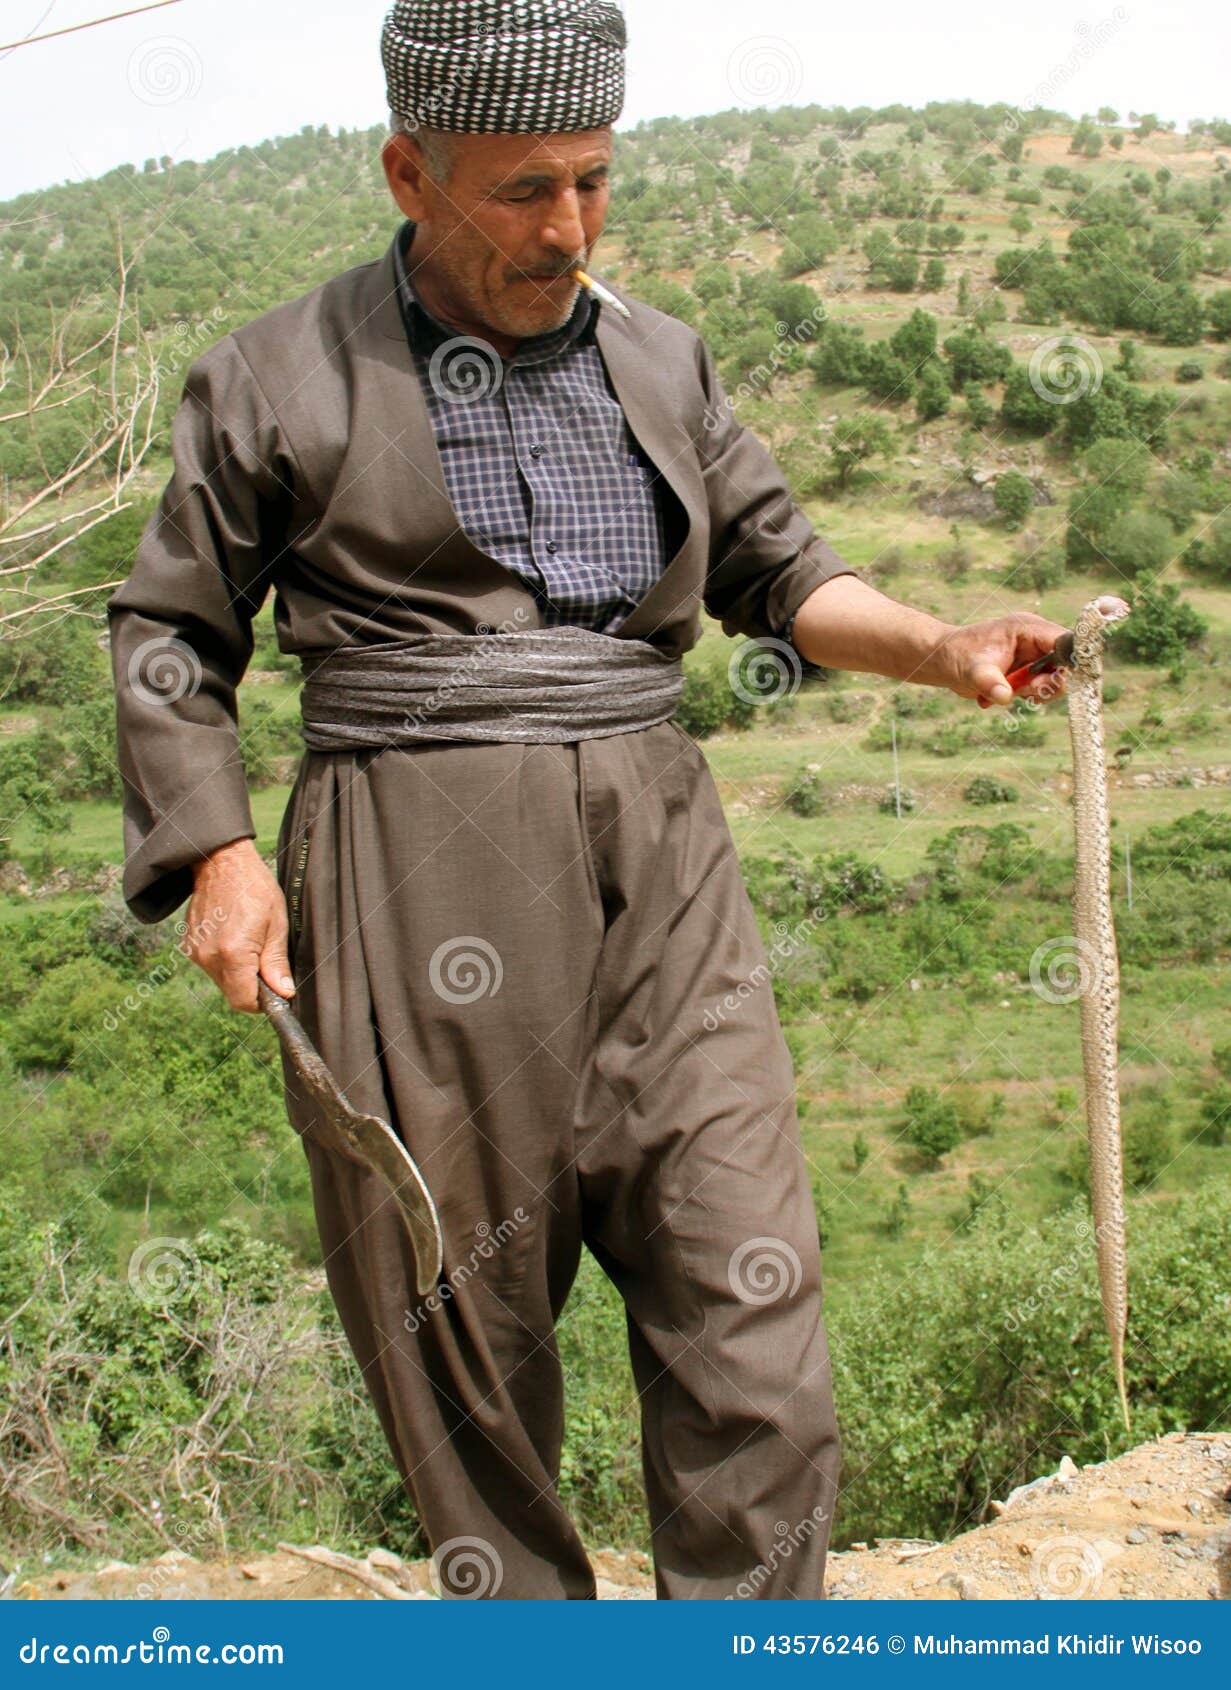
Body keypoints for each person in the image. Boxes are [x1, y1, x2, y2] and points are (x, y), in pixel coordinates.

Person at [108, 0, 1068, 1600]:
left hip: (664, 855)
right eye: (521, 190)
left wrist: (942, 645)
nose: (566, 227)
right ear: (410, 170)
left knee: (753, 1325)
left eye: (595, 182)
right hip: (408, 859)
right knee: (459, 1337)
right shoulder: (278, 374)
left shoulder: (659, 357)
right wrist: (215, 848)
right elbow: (165, 629)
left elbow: (784, 570)